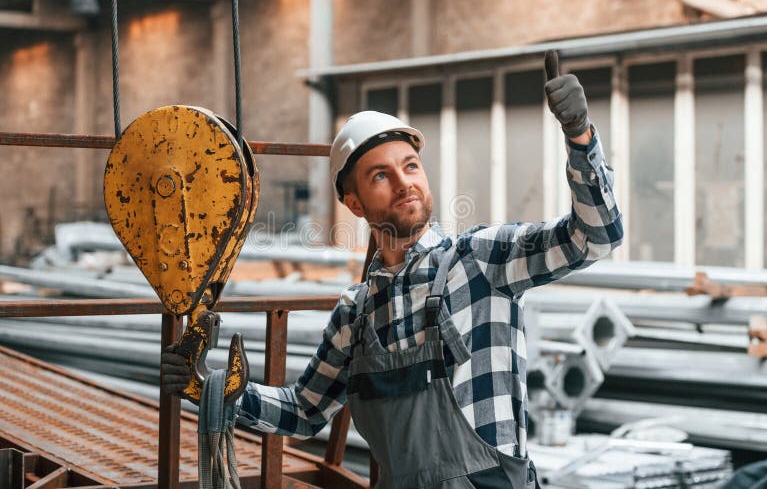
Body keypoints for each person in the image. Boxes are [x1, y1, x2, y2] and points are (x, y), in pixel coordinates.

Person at [162, 53, 623, 488]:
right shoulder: (356, 315)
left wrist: (580, 137)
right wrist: (212, 389)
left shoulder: (482, 262)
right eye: (381, 175)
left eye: (411, 166)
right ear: (354, 203)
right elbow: (304, 411)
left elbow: (594, 237)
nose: (405, 183)